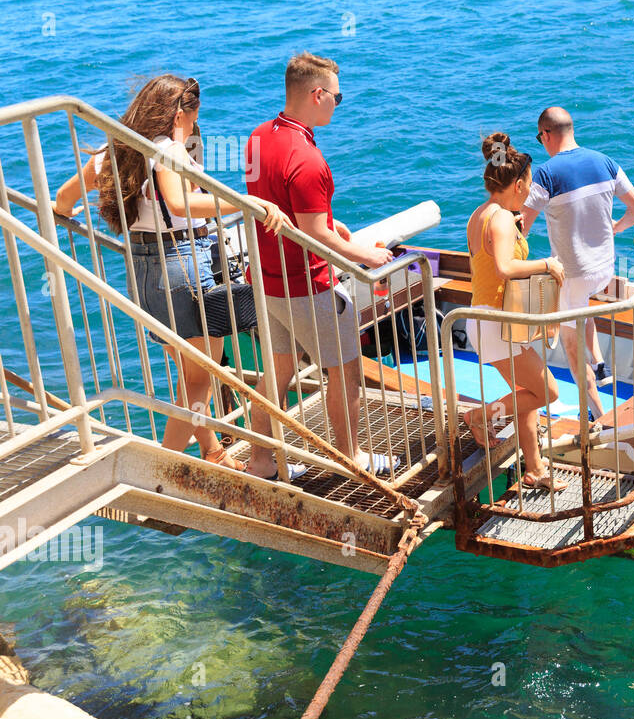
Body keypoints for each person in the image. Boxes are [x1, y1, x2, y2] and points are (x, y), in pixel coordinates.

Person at [56, 74, 291, 471]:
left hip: (145, 274)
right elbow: (179, 204)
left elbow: (63, 198)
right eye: (195, 117)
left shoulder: (113, 151)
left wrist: (66, 215)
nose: (195, 126)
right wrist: (243, 201)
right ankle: (163, 468)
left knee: (191, 377)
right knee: (200, 381)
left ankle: (212, 451)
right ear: (180, 113)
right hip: (182, 264)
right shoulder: (168, 151)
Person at [243, 52, 396, 480]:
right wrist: (369, 255)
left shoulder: (259, 137)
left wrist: (327, 220)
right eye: (337, 98)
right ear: (316, 94)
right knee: (345, 375)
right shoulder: (309, 160)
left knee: (276, 375)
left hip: (267, 284)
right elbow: (315, 236)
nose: (338, 104)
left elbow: (287, 209)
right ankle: (353, 461)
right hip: (309, 287)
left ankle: (261, 460)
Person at [520, 107, 634, 425]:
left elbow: (522, 226)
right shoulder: (605, 162)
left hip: (572, 274)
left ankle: (600, 416)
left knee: (572, 346)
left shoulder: (546, 175)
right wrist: (614, 228)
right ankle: (600, 364)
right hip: (603, 267)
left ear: (546, 135)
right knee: (583, 308)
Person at [466, 132, 569, 491]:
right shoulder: (501, 220)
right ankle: (480, 416)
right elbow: (505, 268)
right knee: (549, 392)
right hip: (496, 323)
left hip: (490, 319)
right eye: (529, 180)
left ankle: (536, 471)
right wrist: (546, 264)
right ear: (521, 184)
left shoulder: (485, 213)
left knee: (528, 398)